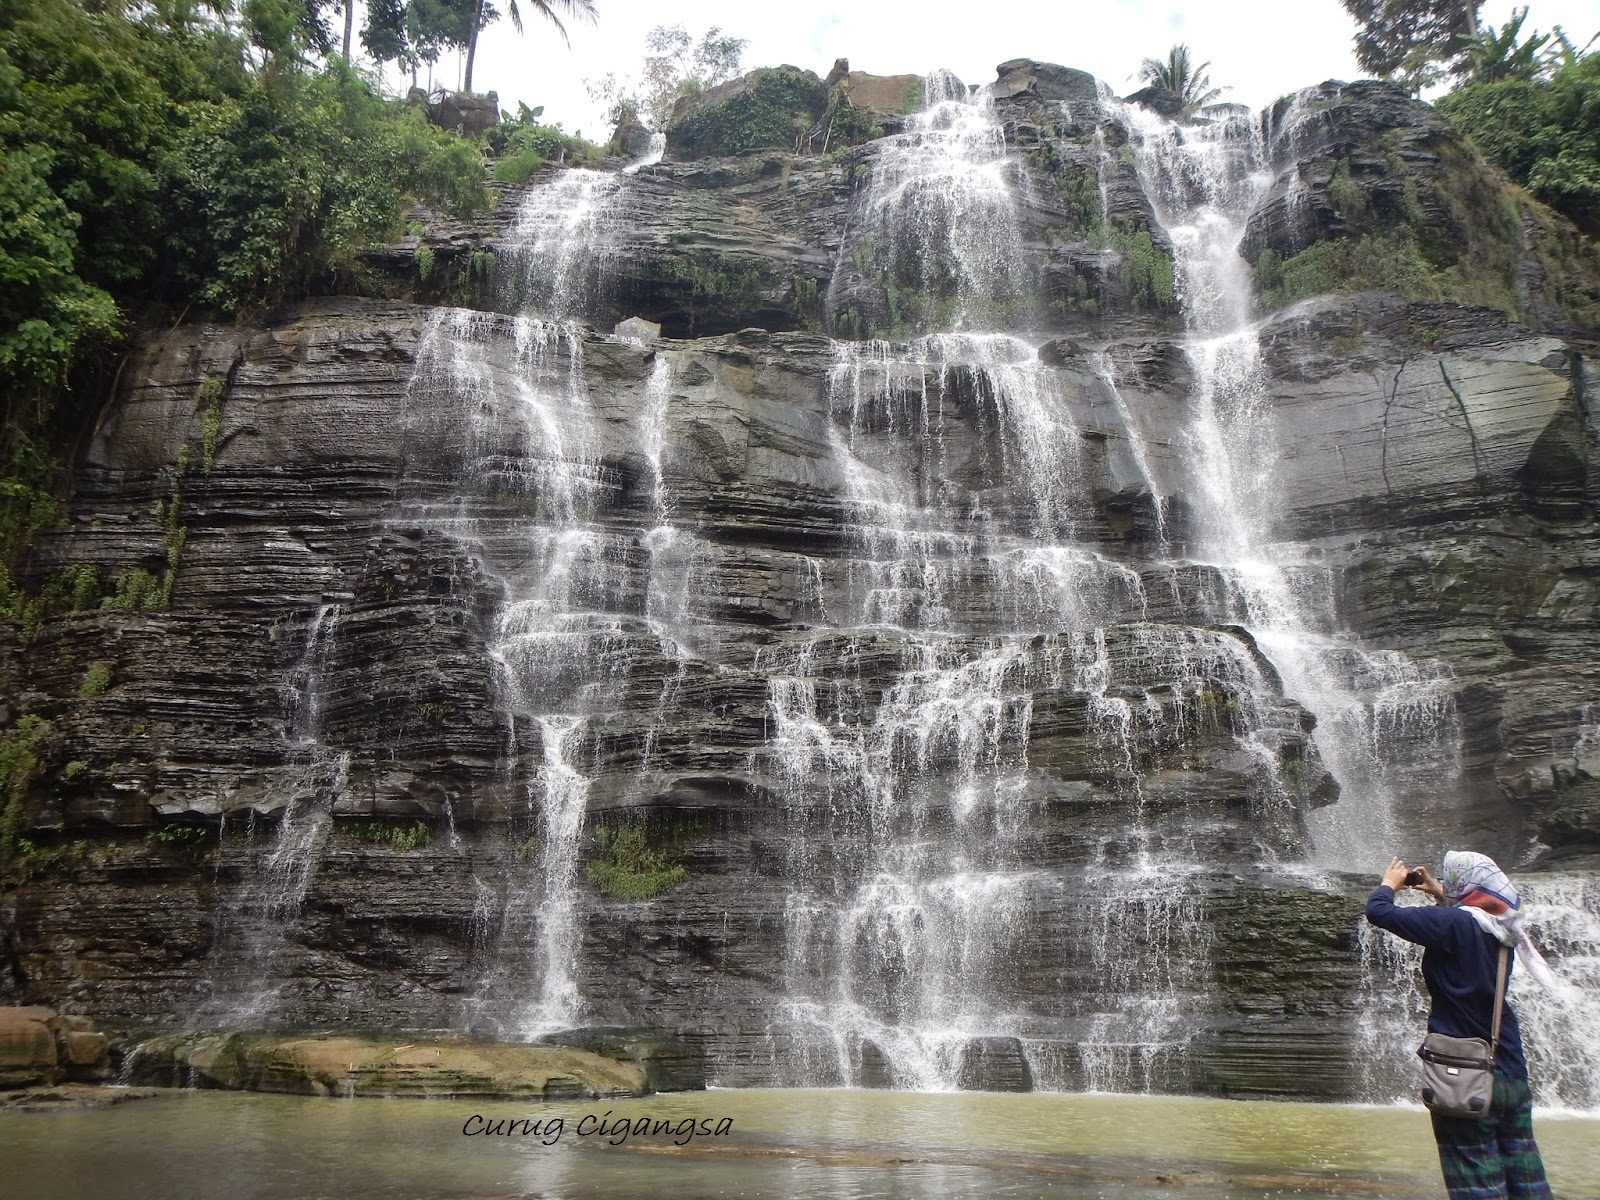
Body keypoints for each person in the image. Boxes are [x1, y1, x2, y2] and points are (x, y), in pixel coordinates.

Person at [1366, 851, 1556, 1200]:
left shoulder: (1452, 925)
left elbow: (1379, 913)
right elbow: (1466, 922)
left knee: (1475, 1177)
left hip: (1463, 1071)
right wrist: (1440, 891)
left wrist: (1387, 885)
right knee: (1524, 1174)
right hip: (1509, 1069)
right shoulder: (1502, 930)